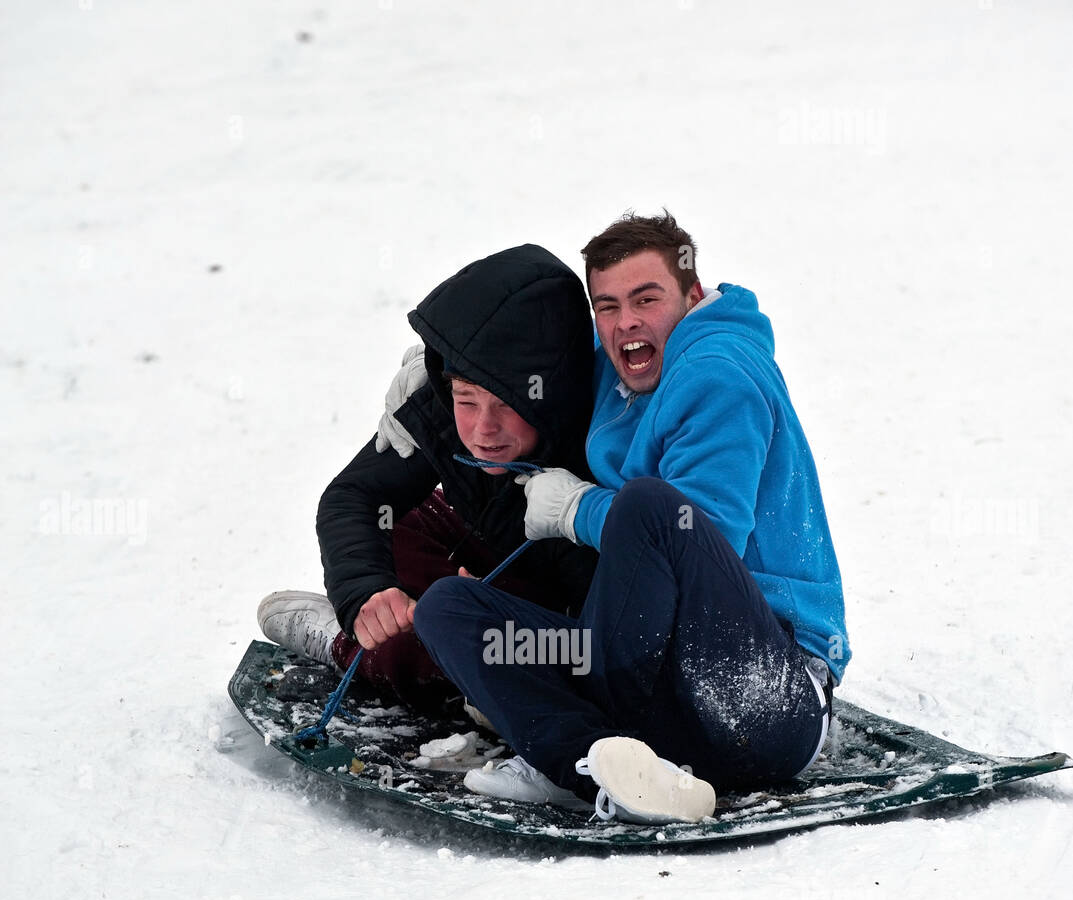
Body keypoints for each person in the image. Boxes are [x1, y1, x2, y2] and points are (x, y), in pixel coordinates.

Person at [408, 211, 852, 822]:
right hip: (661, 694)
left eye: (647, 299)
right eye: (607, 306)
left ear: (692, 296)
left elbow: (702, 533)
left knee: (652, 505)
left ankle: (579, 733)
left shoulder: (717, 372)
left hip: (763, 699)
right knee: (448, 609)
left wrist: (576, 510)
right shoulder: (619, 363)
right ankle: (598, 766)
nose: (626, 323)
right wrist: (438, 373)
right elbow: (527, 342)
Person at [257, 244, 598, 713]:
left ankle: (354, 650)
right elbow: (353, 497)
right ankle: (372, 630)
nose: (482, 429)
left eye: (505, 404)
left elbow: (619, 623)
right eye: (467, 399)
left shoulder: (604, 441)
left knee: (432, 648)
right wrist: (367, 594)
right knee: (395, 527)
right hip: (482, 559)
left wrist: (485, 614)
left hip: (562, 619)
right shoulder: (440, 401)